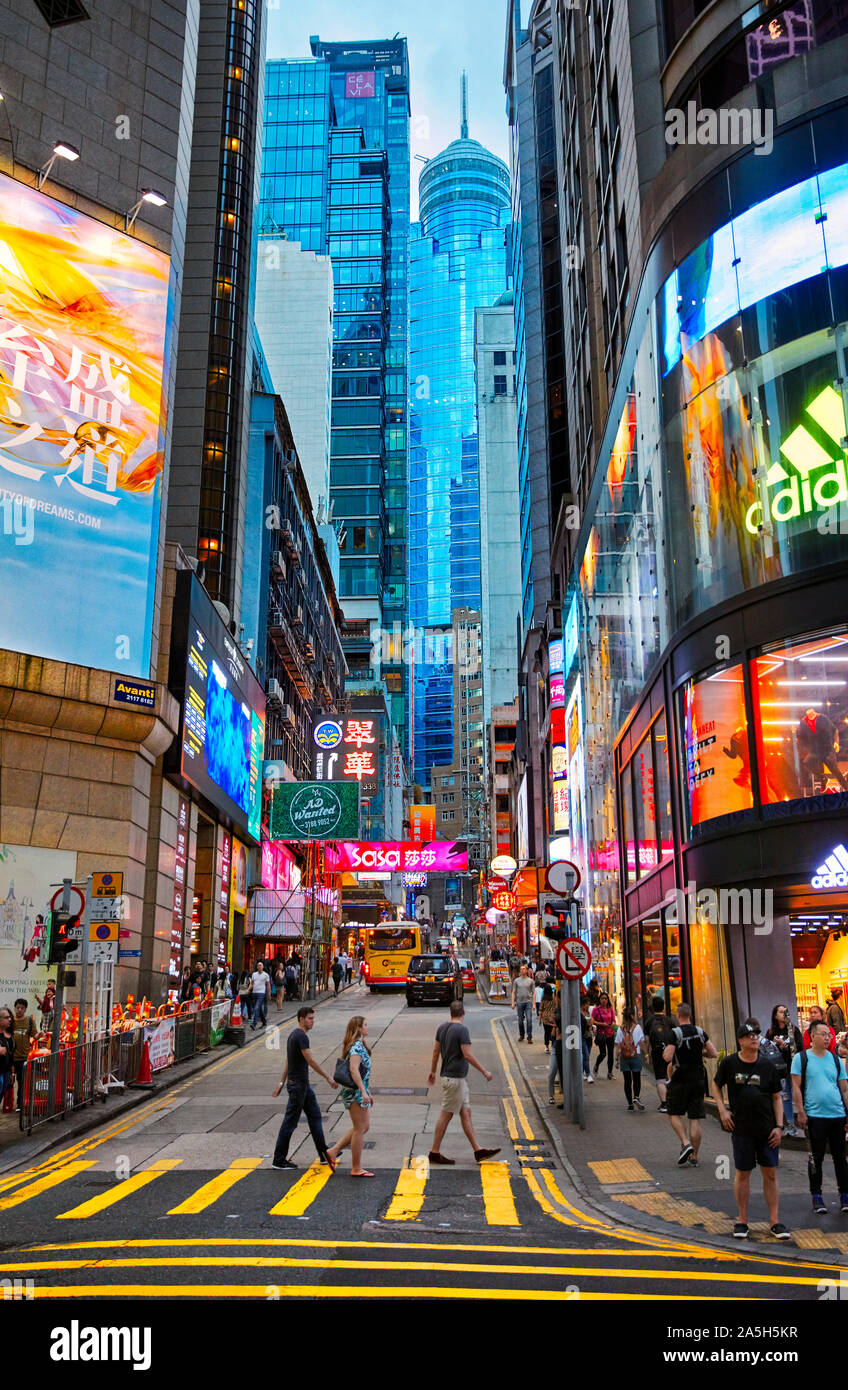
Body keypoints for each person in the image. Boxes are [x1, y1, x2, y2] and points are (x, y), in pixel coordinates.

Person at [712, 1019, 790, 1240]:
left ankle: (774, 1221)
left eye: (756, 1035)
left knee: (770, 1173)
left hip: (767, 1129)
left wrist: (779, 1126)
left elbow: (776, 1097)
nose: (754, 1038)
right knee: (743, 1173)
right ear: (740, 1041)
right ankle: (742, 1220)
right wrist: (722, 1110)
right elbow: (716, 1085)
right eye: (749, 1036)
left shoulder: (767, 1065)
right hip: (741, 1128)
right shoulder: (729, 1063)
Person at [427, 999, 500, 1164]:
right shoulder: (462, 1030)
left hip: (454, 1079)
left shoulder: (442, 1028)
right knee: (446, 1115)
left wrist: (432, 1071)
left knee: (465, 1113)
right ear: (464, 1013)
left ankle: (478, 1150)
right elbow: (467, 1055)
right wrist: (484, 1071)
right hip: (455, 1080)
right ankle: (434, 1152)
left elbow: (435, 1051)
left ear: (451, 1012)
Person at [791, 1018, 848, 1215]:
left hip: (837, 1114)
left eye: (829, 1034)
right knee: (816, 1158)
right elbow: (796, 1087)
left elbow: (844, 1088)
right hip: (815, 1116)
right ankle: (817, 1196)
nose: (828, 1038)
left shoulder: (834, 1059)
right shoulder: (801, 1058)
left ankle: (844, 1195)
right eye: (824, 1034)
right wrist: (801, 1111)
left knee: (841, 1158)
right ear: (812, 1036)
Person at [271, 1006, 339, 1170]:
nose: (312, 1021)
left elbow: (289, 1061)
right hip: (298, 1086)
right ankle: (278, 1160)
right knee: (290, 1122)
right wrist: (328, 1077)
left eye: (313, 1018)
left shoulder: (294, 1035)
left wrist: (281, 1083)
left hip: (302, 1086)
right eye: (310, 1018)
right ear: (301, 1019)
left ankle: (324, 1154)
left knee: (315, 1116)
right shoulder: (301, 1036)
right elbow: (311, 1061)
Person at [663, 1002, 718, 1166]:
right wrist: (699, 1052)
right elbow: (714, 1053)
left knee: (674, 1113)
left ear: (678, 1016)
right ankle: (694, 1156)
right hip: (698, 1078)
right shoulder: (700, 1031)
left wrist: (667, 1051)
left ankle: (686, 1143)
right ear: (690, 1016)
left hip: (680, 1078)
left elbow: (667, 1057)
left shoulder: (675, 1033)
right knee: (695, 1118)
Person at [326, 1016, 374, 1177]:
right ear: (359, 1028)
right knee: (360, 1128)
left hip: (359, 1090)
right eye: (365, 1025)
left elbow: (363, 1072)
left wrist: (368, 1091)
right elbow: (354, 1070)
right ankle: (356, 1167)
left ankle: (333, 1151)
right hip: (354, 1092)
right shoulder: (356, 1048)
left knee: (363, 1126)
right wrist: (363, 1091)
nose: (368, 1027)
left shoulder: (360, 1045)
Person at [763, 1004, 803, 1138]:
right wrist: (776, 1045)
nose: (784, 1014)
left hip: (794, 1067)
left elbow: (800, 1047)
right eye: (780, 1012)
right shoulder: (770, 1032)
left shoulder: (793, 1029)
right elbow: (765, 1049)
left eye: (785, 1012)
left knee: (797, 1093)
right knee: (785, 1095)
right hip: (779, 1069)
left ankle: (803, 1120)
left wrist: (785, 1045)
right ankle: (790, 1123)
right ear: (775, 1015)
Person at [615, 1006, 647, 1111]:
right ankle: (636, 1097)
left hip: (624, 1057)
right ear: (633, 1016)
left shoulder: (620, 1029)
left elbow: (618, 1045)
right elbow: (642, 1043)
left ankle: (630, 1104)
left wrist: (616, 1059)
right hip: (635, 1056)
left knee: (627, 1080)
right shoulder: (637, 1028)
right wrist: (647, 1055)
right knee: (636, 1078)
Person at [646, 995, 672, 1112]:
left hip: (656, 1051)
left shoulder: (649, 1021)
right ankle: (672, 1101)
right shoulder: (669, 1020)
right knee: (669, 1076)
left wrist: (647, 1054)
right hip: (669, 1051)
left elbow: (646, 1039)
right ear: (663, 1007)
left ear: (652, 1007)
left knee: (660, 1077)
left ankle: (664, 1104)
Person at [11, 998, 37, 1110]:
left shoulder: (30, 1021)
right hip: (10, 1058)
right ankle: (7, 1103)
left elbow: (34, 1035)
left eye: (22, 1008)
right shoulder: (10, 1021)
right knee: (7, 1082)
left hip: (24, 1058)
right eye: (17, 1008)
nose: (19, 1010)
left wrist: (39, 1035)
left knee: (22, 1083)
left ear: (25, 1009)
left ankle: (20, 1104)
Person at [591, 992, 616, 1079]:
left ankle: (610, 1073)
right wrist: (602, 1024)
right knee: (603, 1053)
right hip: (601, 1034)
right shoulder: (596, 1010)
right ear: (599, 999)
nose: (604, 1000)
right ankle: (596, 1065)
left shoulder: (610, 1009)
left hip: (610, 1034)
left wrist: (611, 1024)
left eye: (605, 998)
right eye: (602, 998)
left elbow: (614, 1020)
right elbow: (592, 1021)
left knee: (611, 1054)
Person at [511, 963, 535, 1043]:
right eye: (521, 969)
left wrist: (534, 1004)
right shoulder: (516, 981)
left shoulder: (531, 981)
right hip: (519, 1002)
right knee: (520, 1020)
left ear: (526, 970)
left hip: (528, 1002)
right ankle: (522, 1035)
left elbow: (534, 992)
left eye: (523, 969)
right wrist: (513, 1003)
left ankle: (529, 1036)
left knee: (529, 1019)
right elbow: (513, 992)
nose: (522, 970)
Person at [0, 1007, 15, 1114]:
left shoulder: (7, 1033)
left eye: (9, 1017)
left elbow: (11, 1055)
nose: (9, 1019)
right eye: (6, 1018)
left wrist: (11, 1072)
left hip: (6, 1071)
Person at [249, 960, 270, 1029]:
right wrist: (248, 989)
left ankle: (254, 1024)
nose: (259, 966)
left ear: (263, 967)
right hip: (254, 993)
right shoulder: (254, 974)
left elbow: (268, 985)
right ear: (257, 967)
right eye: (258, 965)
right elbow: (251, 983)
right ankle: (264, 1021)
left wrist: (269, 993)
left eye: (260, 965)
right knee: (259, 1009)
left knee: (256, 1008)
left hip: (261, 993)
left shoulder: (266, 975)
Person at [579, 999, 594, 1085]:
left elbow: (592, 1021)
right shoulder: (579, 1013)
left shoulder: (588, 1012)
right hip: (582, 1036)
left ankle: (582, 1072)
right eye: (587, 1004)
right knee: (586, 1055)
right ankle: (588, 1075)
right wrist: (588, 1023)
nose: (588, 1006)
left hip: (589, 1036)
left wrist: (590, 1023)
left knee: (586, 1055)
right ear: (583, 1004)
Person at [540, 985, 556, 1054]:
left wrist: (540, 1018)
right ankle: (553, 1046)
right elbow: (556, 1007)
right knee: (553, 1032)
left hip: (545, 1018)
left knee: (546, 1032)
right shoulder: (553, 999)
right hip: (552, 1017)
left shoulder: (543, 999)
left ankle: (546, 1047)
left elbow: (540, 1009)